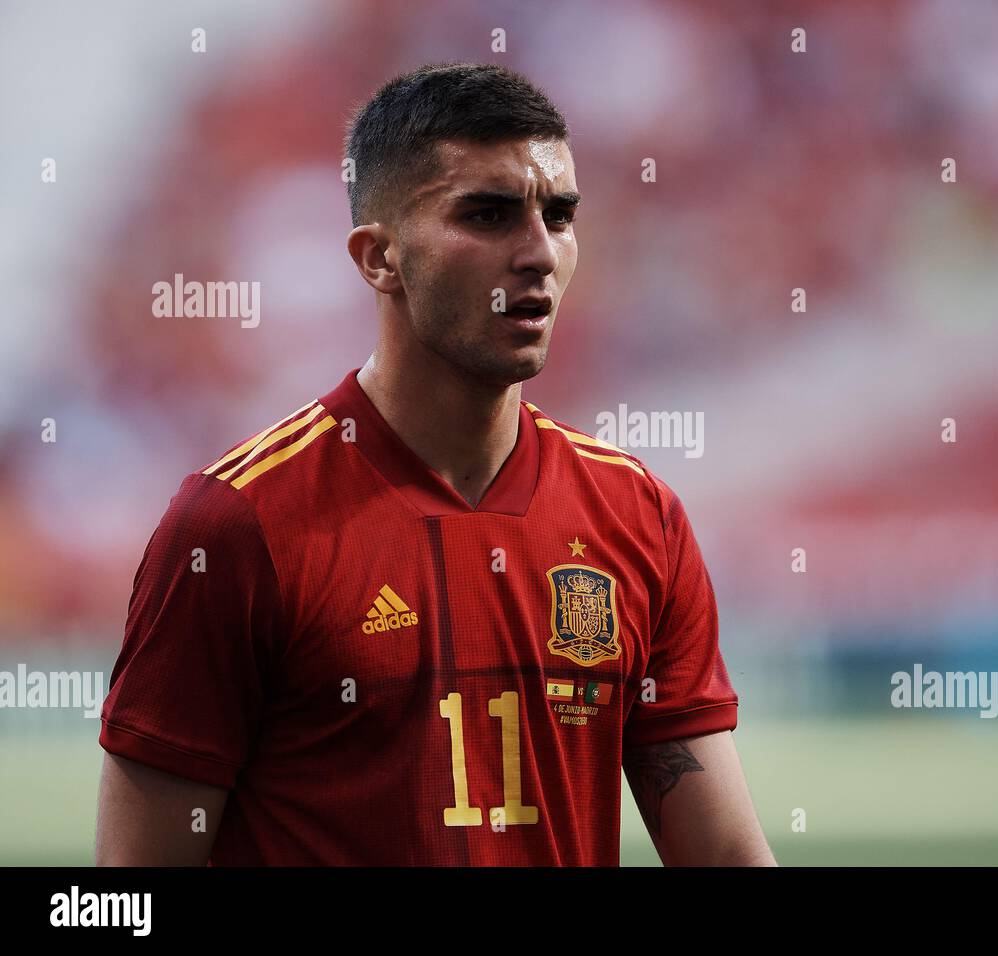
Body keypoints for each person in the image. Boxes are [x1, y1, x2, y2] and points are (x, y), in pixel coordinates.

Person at [94, 62, 774, 866]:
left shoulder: (636, 515)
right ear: (378, 259)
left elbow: (725, 854)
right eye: (488, 215)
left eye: (558, 216)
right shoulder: (235, 525)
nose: (540, 255)